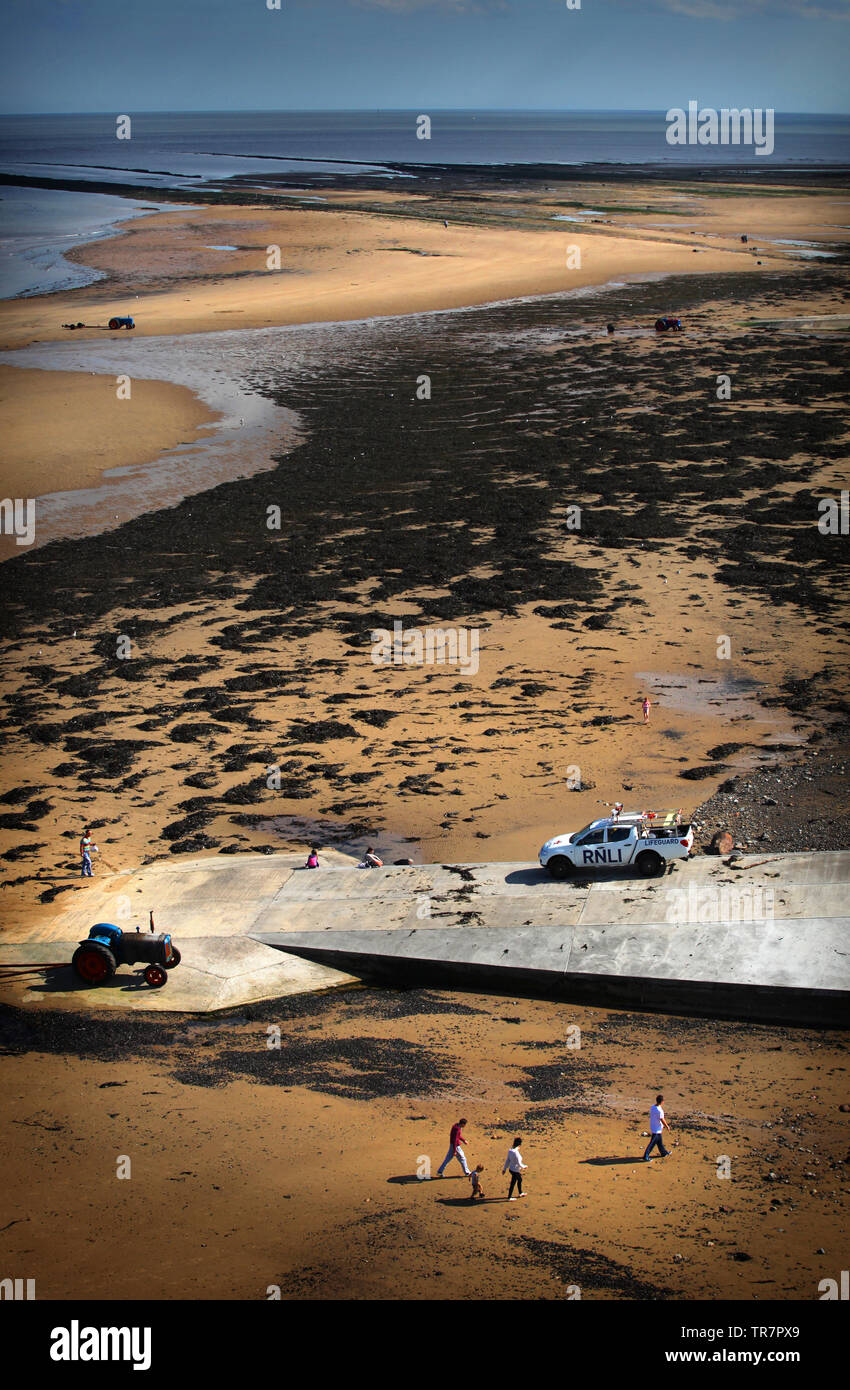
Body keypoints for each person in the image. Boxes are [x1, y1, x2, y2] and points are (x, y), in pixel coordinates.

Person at [643, 1094, 673, 1160]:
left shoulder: (653, 1107)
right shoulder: (659, 1111)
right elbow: (662, 1119)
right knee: (652, 1144)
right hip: (656, 1129)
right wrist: (667, 1126)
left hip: (654, 1127)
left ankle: (664, 1153)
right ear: (662, 1102)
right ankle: (646, 1156)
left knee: (660, 1143)